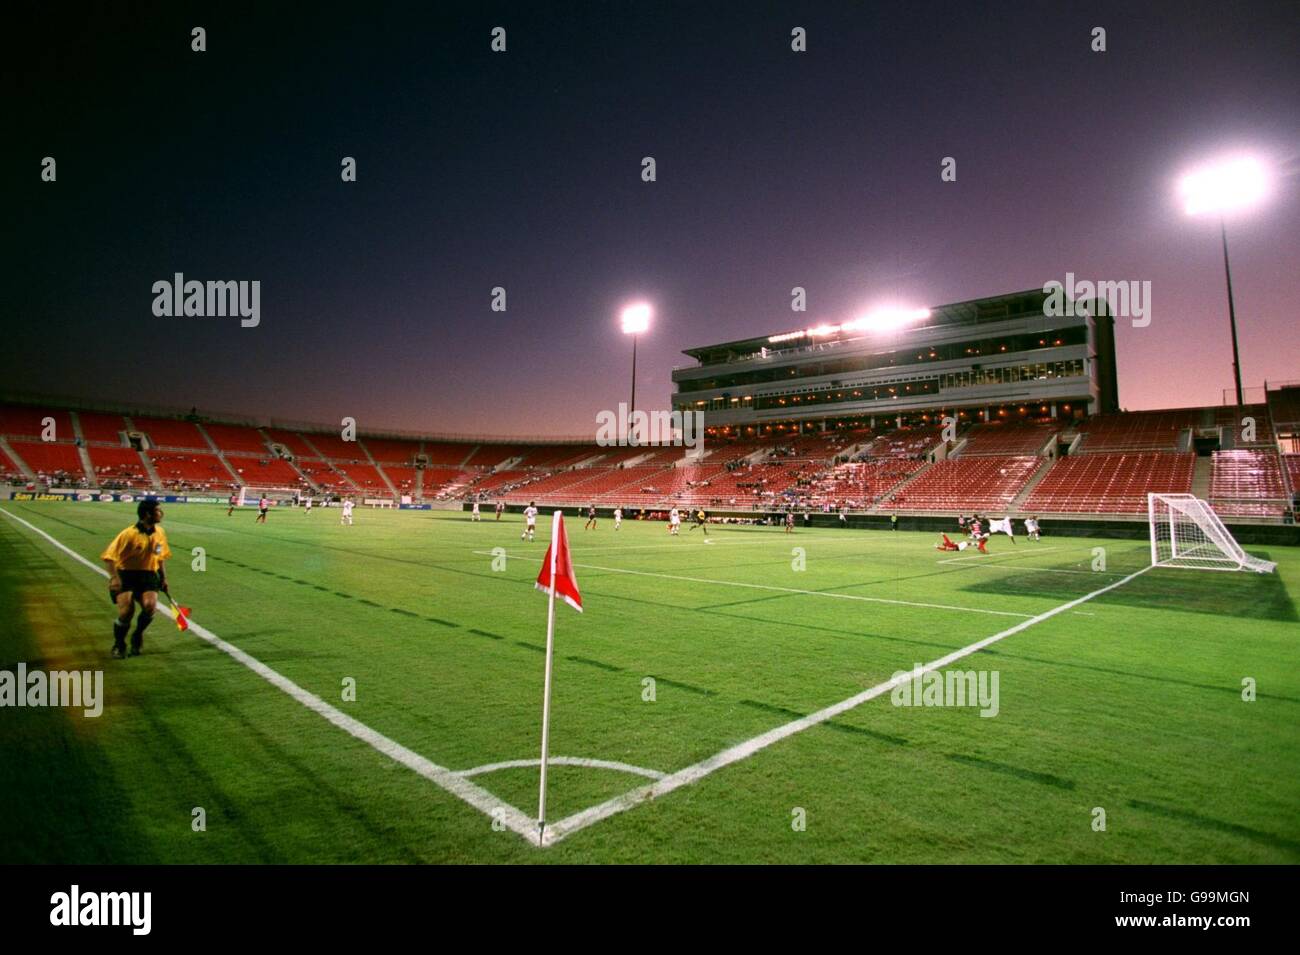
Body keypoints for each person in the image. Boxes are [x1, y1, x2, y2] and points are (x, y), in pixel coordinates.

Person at [100, 498, 172, 658]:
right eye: (158, 510)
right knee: (127, 612)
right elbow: (108, 557)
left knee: (150, 606)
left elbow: (160, 557)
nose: (161, 513)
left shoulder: (160, 532)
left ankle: (137, 635)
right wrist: (114, 578)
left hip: (148, 575)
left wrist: (164, 578)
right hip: (126, 574)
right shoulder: (128, 534)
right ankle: (119, 644)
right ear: (147, 514)